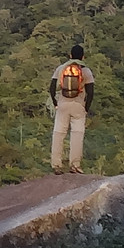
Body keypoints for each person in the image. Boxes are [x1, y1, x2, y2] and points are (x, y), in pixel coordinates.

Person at [49, 44, 95, 175]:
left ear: (70, 55)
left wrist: (55, 103)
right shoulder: (86, 71)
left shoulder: (61, 68)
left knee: (59, 134)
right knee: (77, 134)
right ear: (83, 57)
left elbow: (52, 89)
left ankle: (56, 165)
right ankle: (75, 165)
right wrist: (86, 108)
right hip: (78, 105)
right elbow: (91, 92)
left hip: (62, 104)